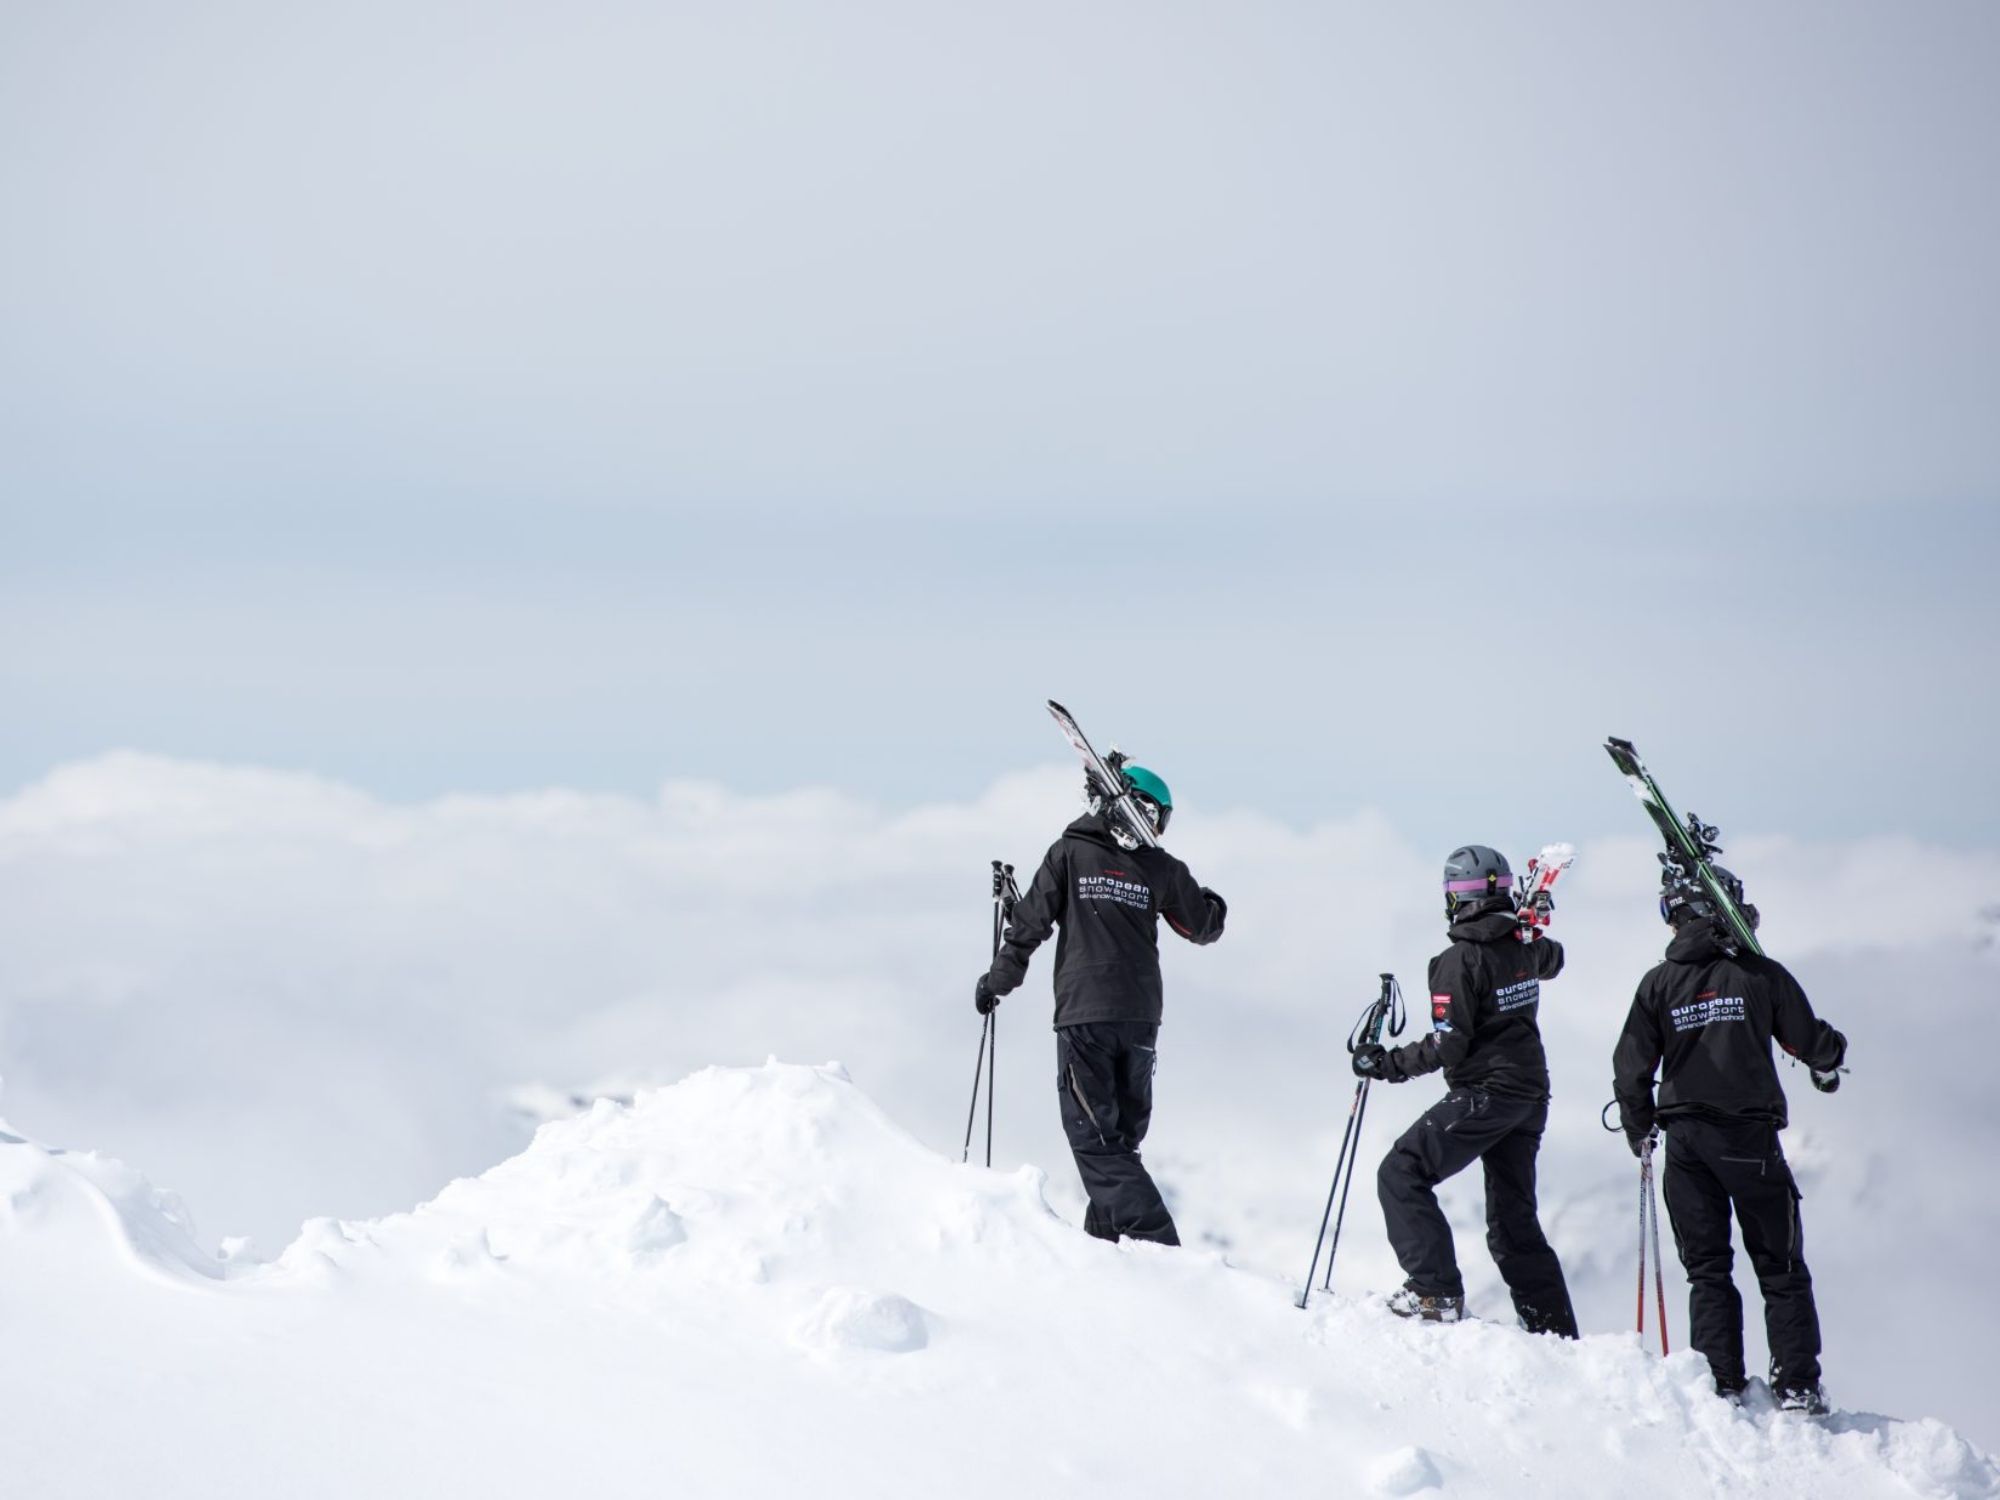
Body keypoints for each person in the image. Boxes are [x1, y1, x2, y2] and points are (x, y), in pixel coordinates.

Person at [1613, 866, 1847, 1415]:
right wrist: (1833, 1053)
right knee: (1780, 1267)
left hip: (1685, 1144)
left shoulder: (1656, 983)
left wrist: (1639, 1126)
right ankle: (1796, 1386)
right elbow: (1809, 1042)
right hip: (1749, 1138)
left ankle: (1720, 1383)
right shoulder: (1760, 975)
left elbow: (1630, 1068)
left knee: (1708, 1270)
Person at [974, 762, 1226, 1245]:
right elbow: (1204, 928)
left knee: (1097, 1144)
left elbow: (1030, 924)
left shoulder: (1069, 853)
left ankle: (1159, 1249)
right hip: (1139, 1021)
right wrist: (1211, 900)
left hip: (1085, 1015)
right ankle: (1106, 1254)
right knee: (1120, 1145)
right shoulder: (1162, 868)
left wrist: (997, 982)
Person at [1352, 845, 1578, 1336]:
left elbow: (1448, 1045)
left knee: (1402, 1171)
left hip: (1488, 1091)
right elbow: (1553, 958)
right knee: (1513, 1221)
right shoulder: (1520, 945)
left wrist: (1386, 1063)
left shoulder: (1459, 960)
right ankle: (1556, 1333)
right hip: (1529, 1095)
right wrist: (1530, 928)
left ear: (1458, 899)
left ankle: (1434, 1293)